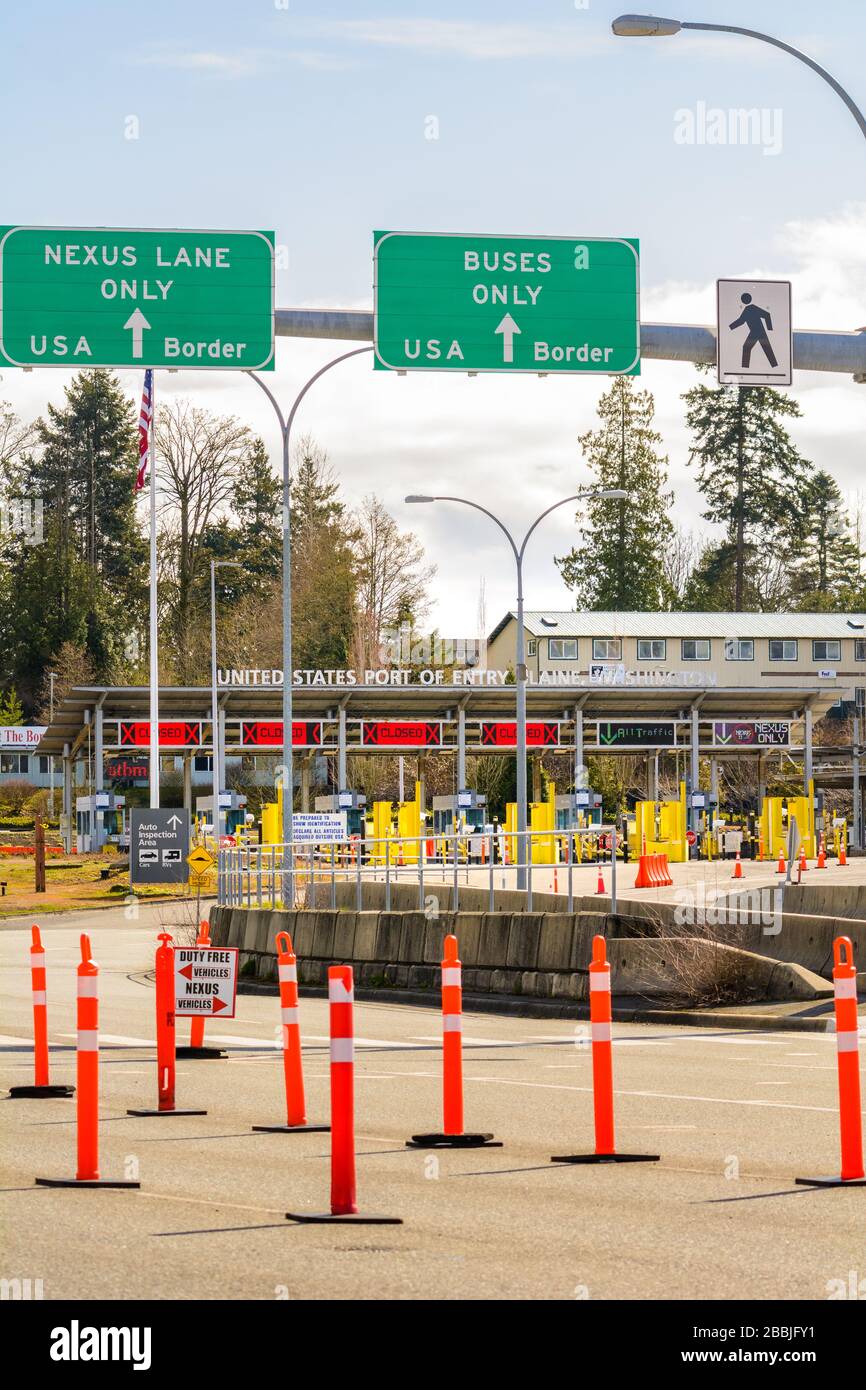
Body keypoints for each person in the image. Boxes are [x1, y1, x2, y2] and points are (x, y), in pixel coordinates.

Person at [729, 292, 778, 368]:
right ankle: (774, 366)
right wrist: (730, 327)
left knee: (747, 347)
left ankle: (745, 368)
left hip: (756, 331)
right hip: (758, 331)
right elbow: (741, 321)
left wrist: (770, 329)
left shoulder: (751, 308)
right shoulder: (748, 309)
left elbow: (767, 315)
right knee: (766, 347)